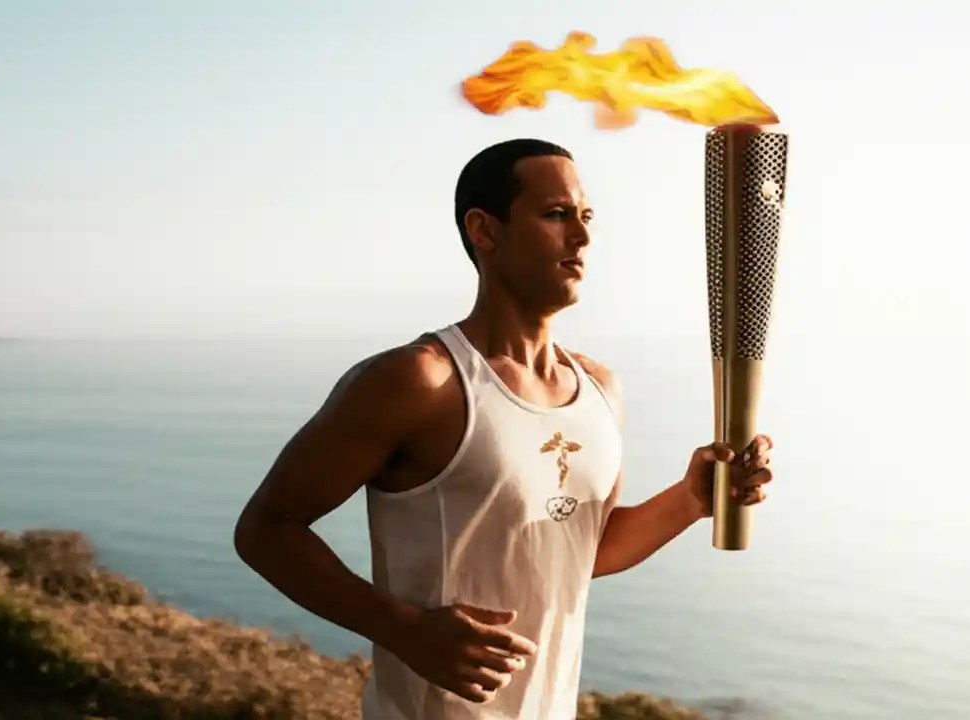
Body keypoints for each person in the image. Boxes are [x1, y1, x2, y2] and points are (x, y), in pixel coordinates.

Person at [232, 138, 775, 719]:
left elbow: (579, 551)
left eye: (586, 217)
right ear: (485, 231)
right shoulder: (420, 382)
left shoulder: (599, 389)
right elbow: (267, 529)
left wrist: (691, 498)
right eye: (556, 215)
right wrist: (407, 630)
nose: (583, 238)